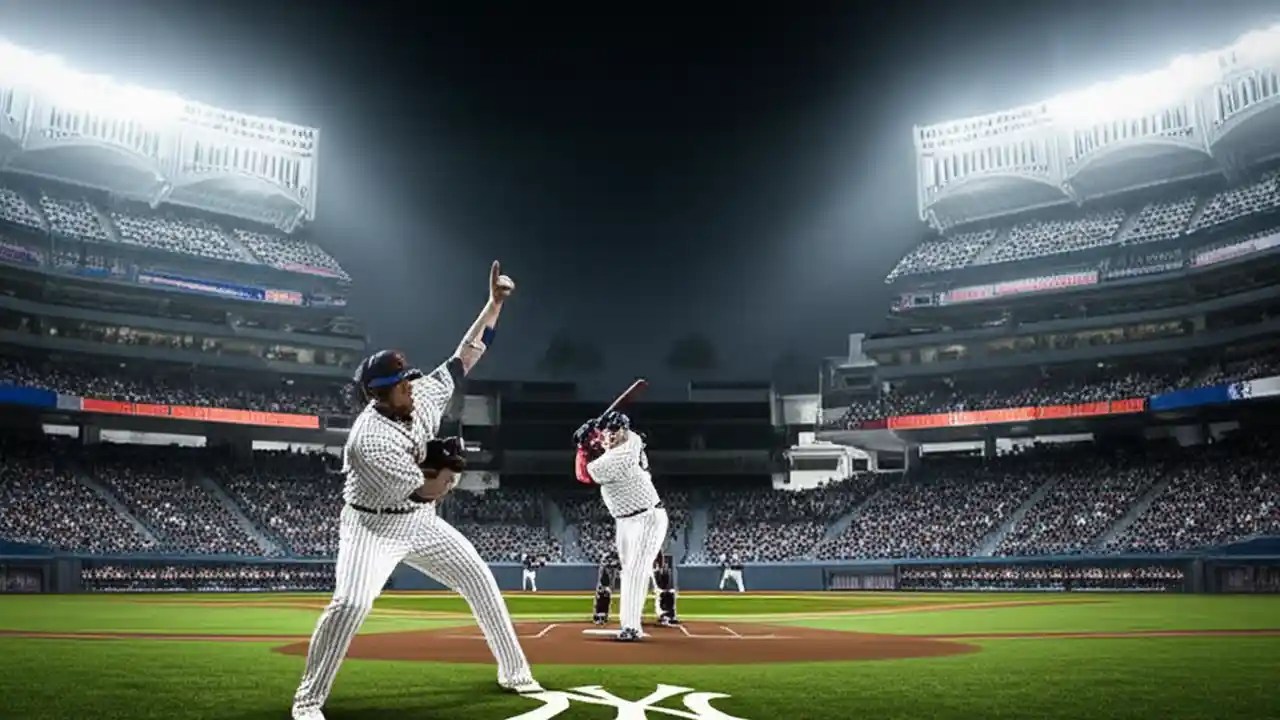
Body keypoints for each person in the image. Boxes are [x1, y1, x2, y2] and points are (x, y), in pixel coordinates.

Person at [291, 262, 540, 720]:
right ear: (378, 395)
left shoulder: (421, 394)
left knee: (480, 579)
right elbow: (426, 491)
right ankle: (307, 702)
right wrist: (450, 475)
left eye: (408, 377)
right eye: (401, 383)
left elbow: (468, 354)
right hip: (372, 525)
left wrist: (494, 304)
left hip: (418, 522)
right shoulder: (368, 441)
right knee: (350, 603)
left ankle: (516, 673)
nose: (411, 384)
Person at [574, 411, 668, 641]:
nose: (610, 435)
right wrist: (594, 436)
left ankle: (632, 627)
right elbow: (604, 446)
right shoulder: (633, 440)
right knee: (628, 571)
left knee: (637, 570)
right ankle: (629, 623)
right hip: (624, 521)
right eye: (607, 431)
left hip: (647, 517)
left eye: (615, 431)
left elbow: (584, 475)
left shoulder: (616, 459)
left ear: (624, 431)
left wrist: (582, 448)